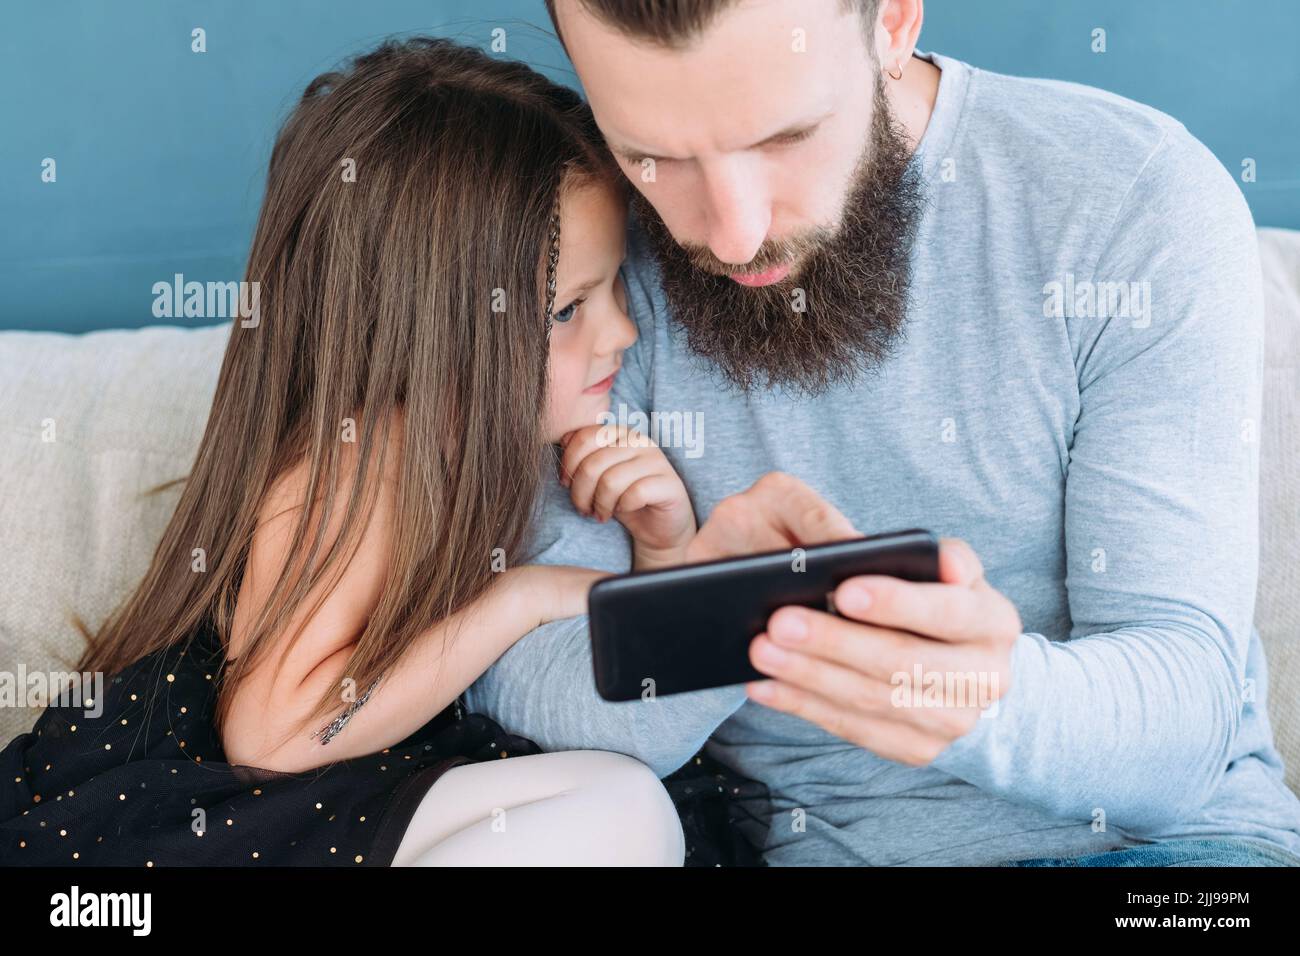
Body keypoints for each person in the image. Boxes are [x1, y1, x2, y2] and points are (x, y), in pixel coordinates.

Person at [458, 0, 1300, 865]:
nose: (733, 231)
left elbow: (1184, 726)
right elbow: (522, 683)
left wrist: (981, 694)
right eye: (654, 156)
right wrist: (710, 608)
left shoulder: (1132, 197)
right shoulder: (588, 268)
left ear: (893, 21)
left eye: (784, 138)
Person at [0, 36, 690, 867]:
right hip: (238, 815)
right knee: (623, 810)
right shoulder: (369, 462)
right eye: (571, 309)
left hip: (372, 799)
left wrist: (665, 549)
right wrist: (518, 598)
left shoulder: (498, 452)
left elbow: (645, 698)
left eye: (618, 287)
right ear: (449, 328)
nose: (625, 331)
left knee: (634, 807)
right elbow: (277, 735)